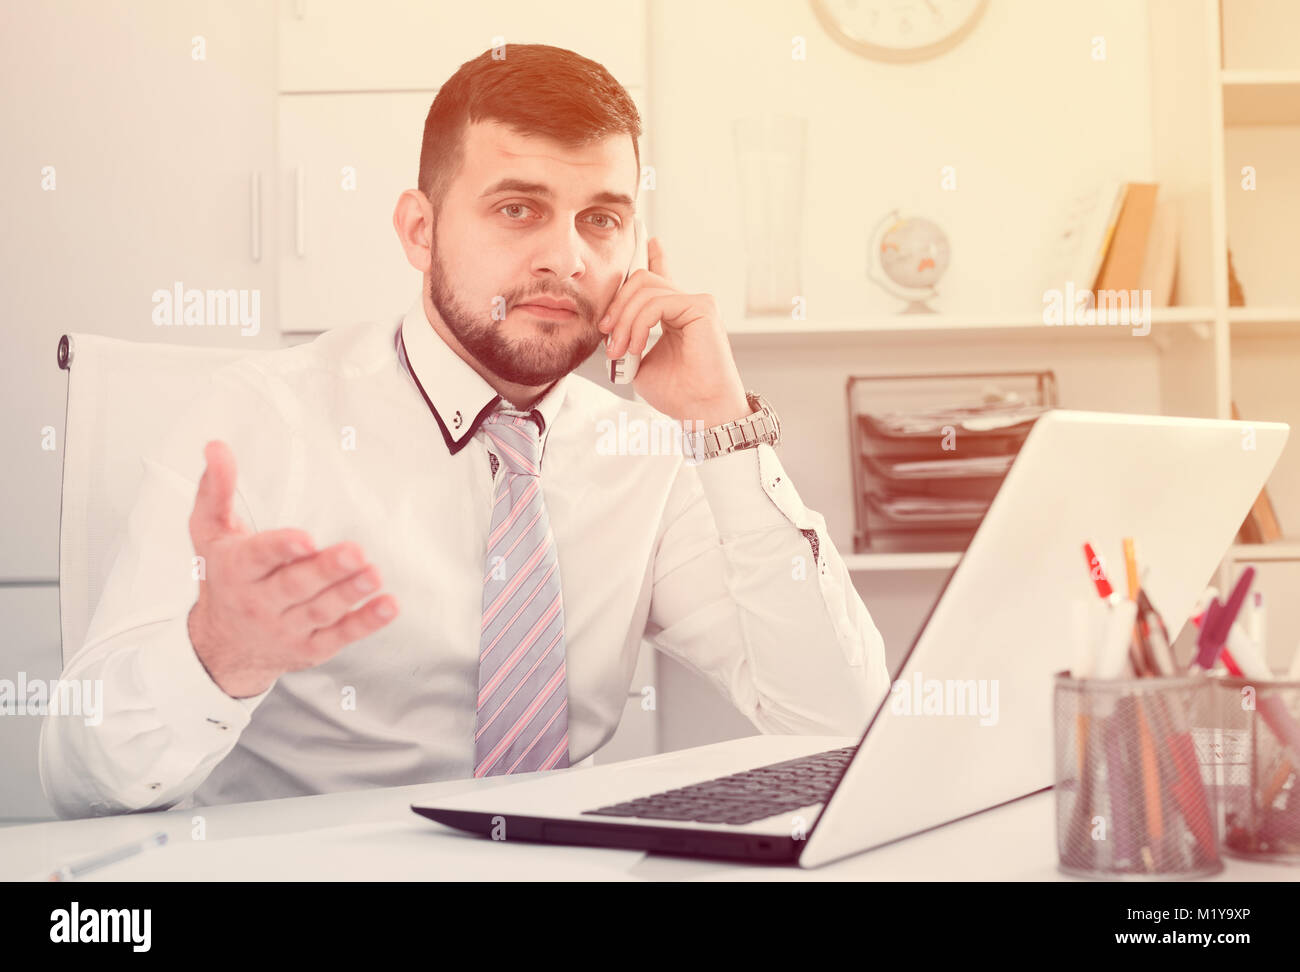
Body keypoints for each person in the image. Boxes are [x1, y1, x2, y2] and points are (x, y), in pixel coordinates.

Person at [40, 43, 889, 818]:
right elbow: (79, 778)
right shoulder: (259, 422)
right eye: (519, 209)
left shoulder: (651, 457)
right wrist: (217, 653)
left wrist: (723, 425)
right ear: (420, 229)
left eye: (601, 219)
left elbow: (837, 722)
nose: (568, 257)